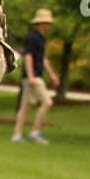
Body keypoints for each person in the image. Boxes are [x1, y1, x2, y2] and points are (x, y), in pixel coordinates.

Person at [12, 8, 59, 145]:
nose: (49, 25)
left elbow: (43, 58)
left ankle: (17, 135)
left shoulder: (42, 38)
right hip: (33, 77)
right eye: (47, 22)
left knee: (26, 106)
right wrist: (31, 76)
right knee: (47, 102)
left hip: (36, 75)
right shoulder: (33, 37)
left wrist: (52, 74)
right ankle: (35, 132)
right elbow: (28, 55)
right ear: (42, 23)